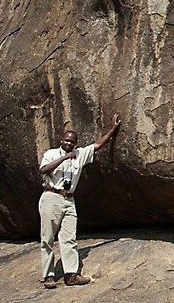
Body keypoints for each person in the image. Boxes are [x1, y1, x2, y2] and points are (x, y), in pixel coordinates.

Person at [38, 113, 122, 288]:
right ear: (61, 140)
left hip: (69, 200)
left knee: (69, 238)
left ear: (76, 143)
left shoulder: (80, 154)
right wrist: (64, 158)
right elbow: (43, 170)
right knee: (47, 238)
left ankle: (71, 275)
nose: (69, 144)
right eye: (67, 141)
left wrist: (113, 129)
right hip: (52, 197)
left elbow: (98, 144)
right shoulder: (51, 154)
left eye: (72, 142)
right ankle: (48, 276)